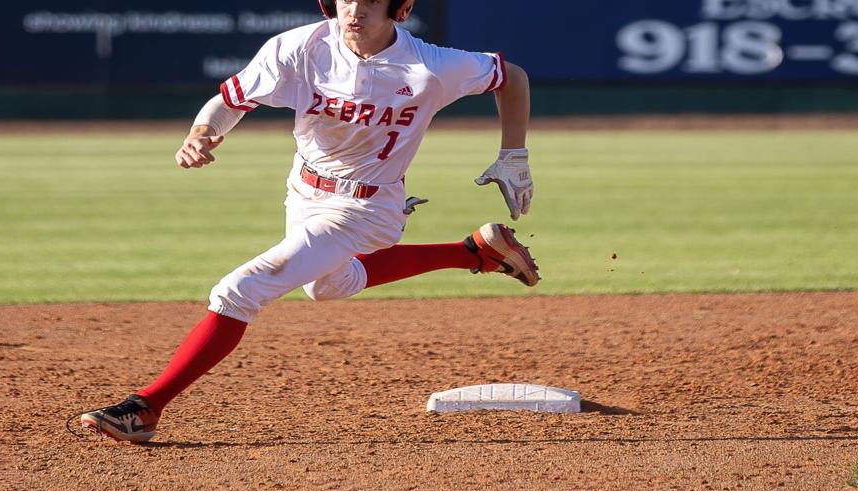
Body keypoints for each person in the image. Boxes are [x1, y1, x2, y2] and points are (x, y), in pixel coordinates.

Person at [71, 0, 537, 444]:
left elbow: (511, 77)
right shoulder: (302, 47)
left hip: (366, 209)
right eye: (346, 0)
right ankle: (474, 251)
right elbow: (231, 99)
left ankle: (146, 407)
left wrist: (513, 154)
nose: (355, 10)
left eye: (372, 1)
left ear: (400, 8)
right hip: (304, 191)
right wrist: (202, 133)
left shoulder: (429, 66)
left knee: (240, 290)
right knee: (327, 286)